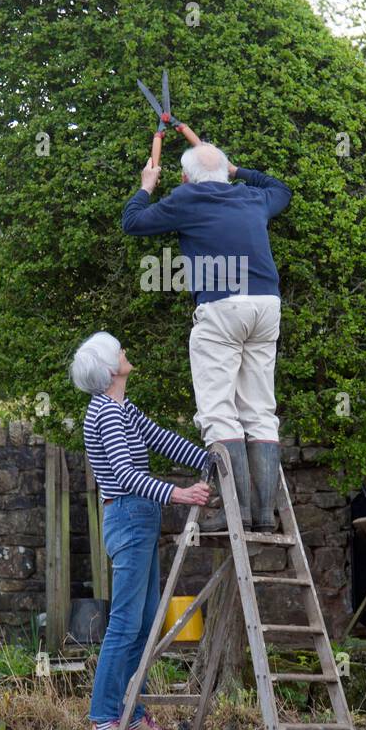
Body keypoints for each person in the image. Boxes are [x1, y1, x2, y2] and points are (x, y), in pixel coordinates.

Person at [121, 141, 291, 532]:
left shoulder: (185, 198)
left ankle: (236, 513)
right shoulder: (250, 197)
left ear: (184, 177)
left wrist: (147, 185)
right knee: (261, 412)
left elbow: (132, 222)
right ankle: (264, 516)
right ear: (224, 172)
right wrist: (239, 171)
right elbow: (281, 190)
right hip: (266, 305)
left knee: (218, 413)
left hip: (221, 307)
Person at [69, 330, 211, 730]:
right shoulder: (105, 414)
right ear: (110, 367)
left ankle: (131, 717)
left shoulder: (122, 408)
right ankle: (103, 723)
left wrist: (209, 458)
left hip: (141, 515)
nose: (125, 351)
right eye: (120, 349)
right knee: (125, 625)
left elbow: (161, 438)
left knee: (146, 623)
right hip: (129, 515)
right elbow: (127, 476)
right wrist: (179, 493)